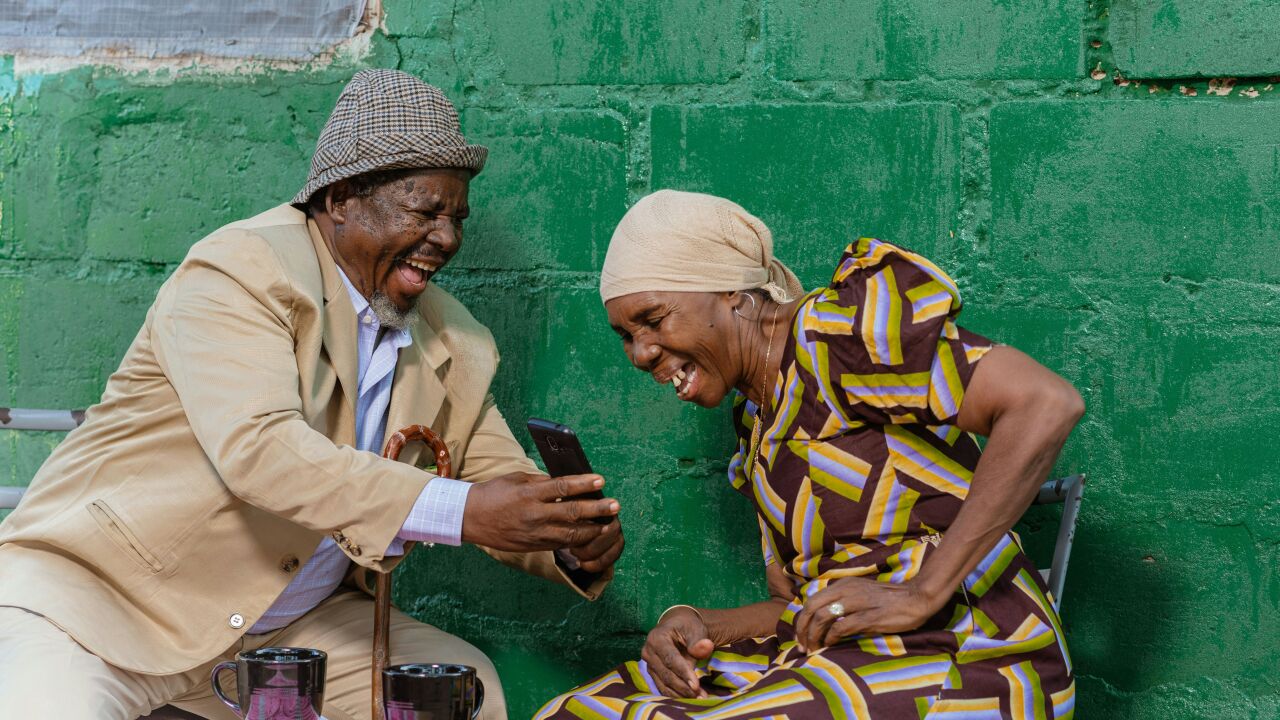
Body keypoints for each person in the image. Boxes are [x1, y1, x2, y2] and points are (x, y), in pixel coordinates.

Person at [0, 69, 625, 720]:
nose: (447, 239)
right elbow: (261, 451)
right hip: (100, 609)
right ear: (342, 198)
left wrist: (566, 542)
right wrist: (464, 511)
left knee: (465, 690)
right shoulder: (242, 271)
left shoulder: (454, 339)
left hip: (287, 635)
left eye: (457, 218)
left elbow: (497, 485)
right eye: (426, 211)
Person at [536, 190, 1082, 719]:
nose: (640, 352)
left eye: (653, 320)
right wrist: (696, 622)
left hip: (965, 651)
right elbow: (794, 606)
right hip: (839, 654)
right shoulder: (758, 418)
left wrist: (922, 590)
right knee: (579, 712)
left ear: (731, 292)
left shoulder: (833, 336)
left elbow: (1045, 403)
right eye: (625, 335)